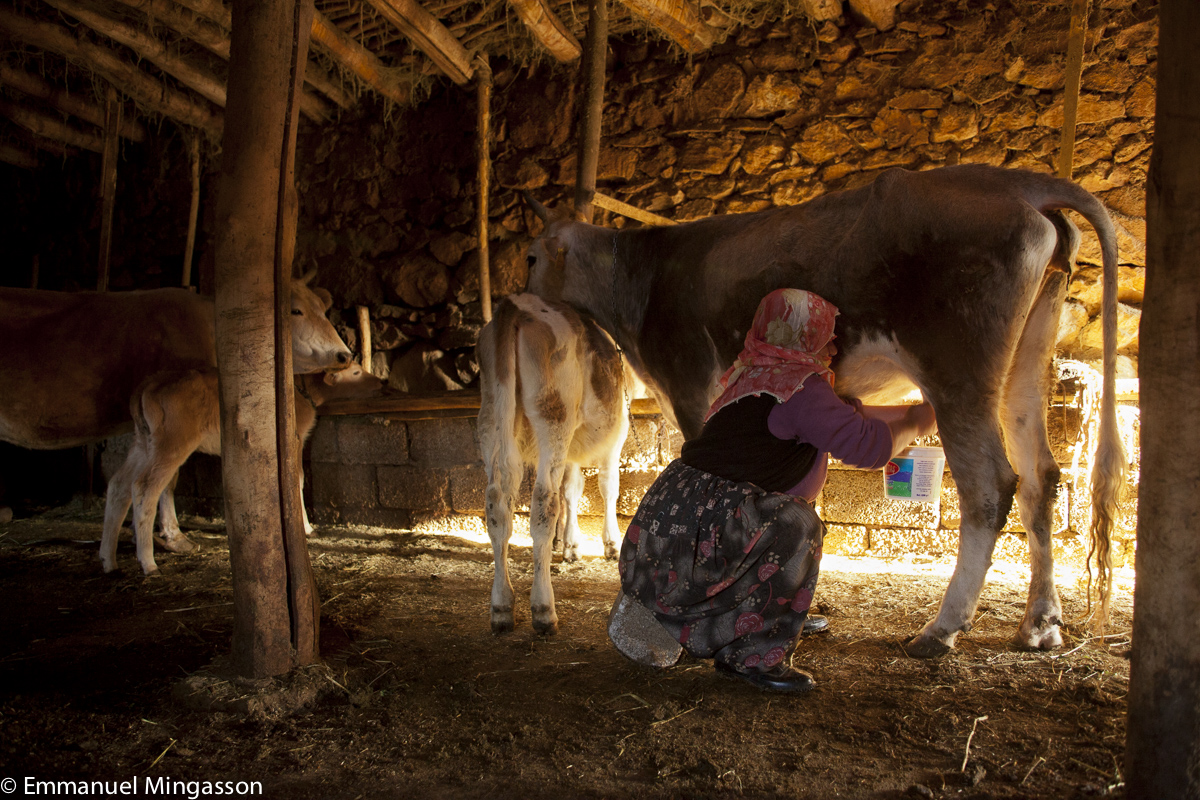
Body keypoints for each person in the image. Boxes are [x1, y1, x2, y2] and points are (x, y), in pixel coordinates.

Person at [608, 288, 937, 693]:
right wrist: (920, 422)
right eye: (826, 333)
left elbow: (849, 417)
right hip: (703, 533)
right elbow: (866, 445)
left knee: (784, 520)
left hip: (672, 528)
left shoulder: (751, 379)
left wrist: (924, 412)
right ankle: (750, 655)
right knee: (794, 525)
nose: (833, 344)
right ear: (805, 334)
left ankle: (762, 614)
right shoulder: (801, 388)